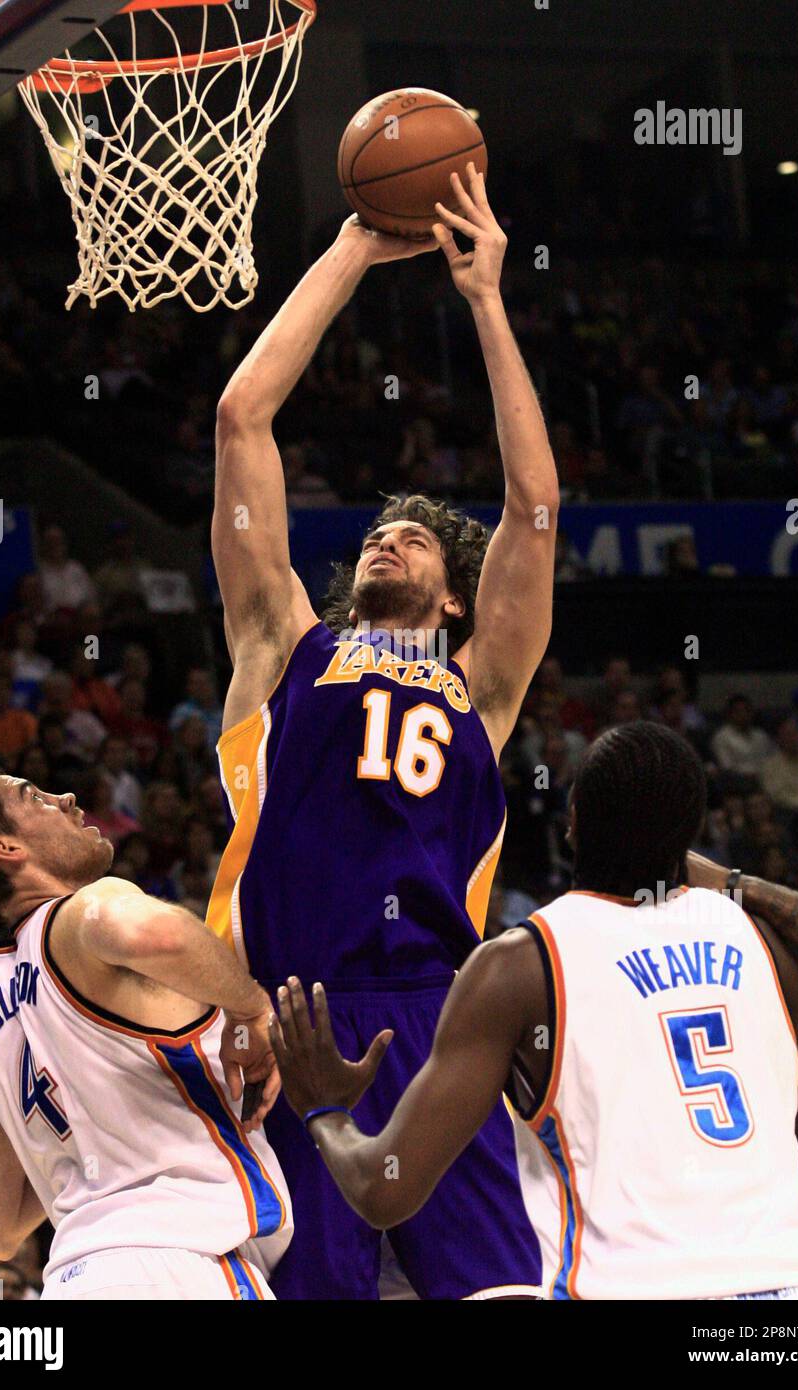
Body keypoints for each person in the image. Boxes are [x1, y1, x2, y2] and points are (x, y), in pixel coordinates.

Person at [209, 164, 559, 1300]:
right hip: (293, 1015)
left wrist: (487, 300)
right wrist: (356, 247)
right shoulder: (285, 644)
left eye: (415, 539)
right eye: (378, 532)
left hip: (439, 1013)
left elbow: (535, 510)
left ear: (456, 597)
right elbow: (241, 417)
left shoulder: (481, 686)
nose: (389, 539)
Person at [269, 722, 798, 1301]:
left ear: (573, 818)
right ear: (694, 832)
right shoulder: (755, 938)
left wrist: (324, 1110)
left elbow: (385, 1188)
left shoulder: (519, 966)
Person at [0, 770, 291, 1300]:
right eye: (34, 797)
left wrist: (80, 1176)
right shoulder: (80, 914)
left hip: (75, 1279)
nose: (64, 797)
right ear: (6, 847)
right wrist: (254, 1011)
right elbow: (157, 933)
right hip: (181, 1266)